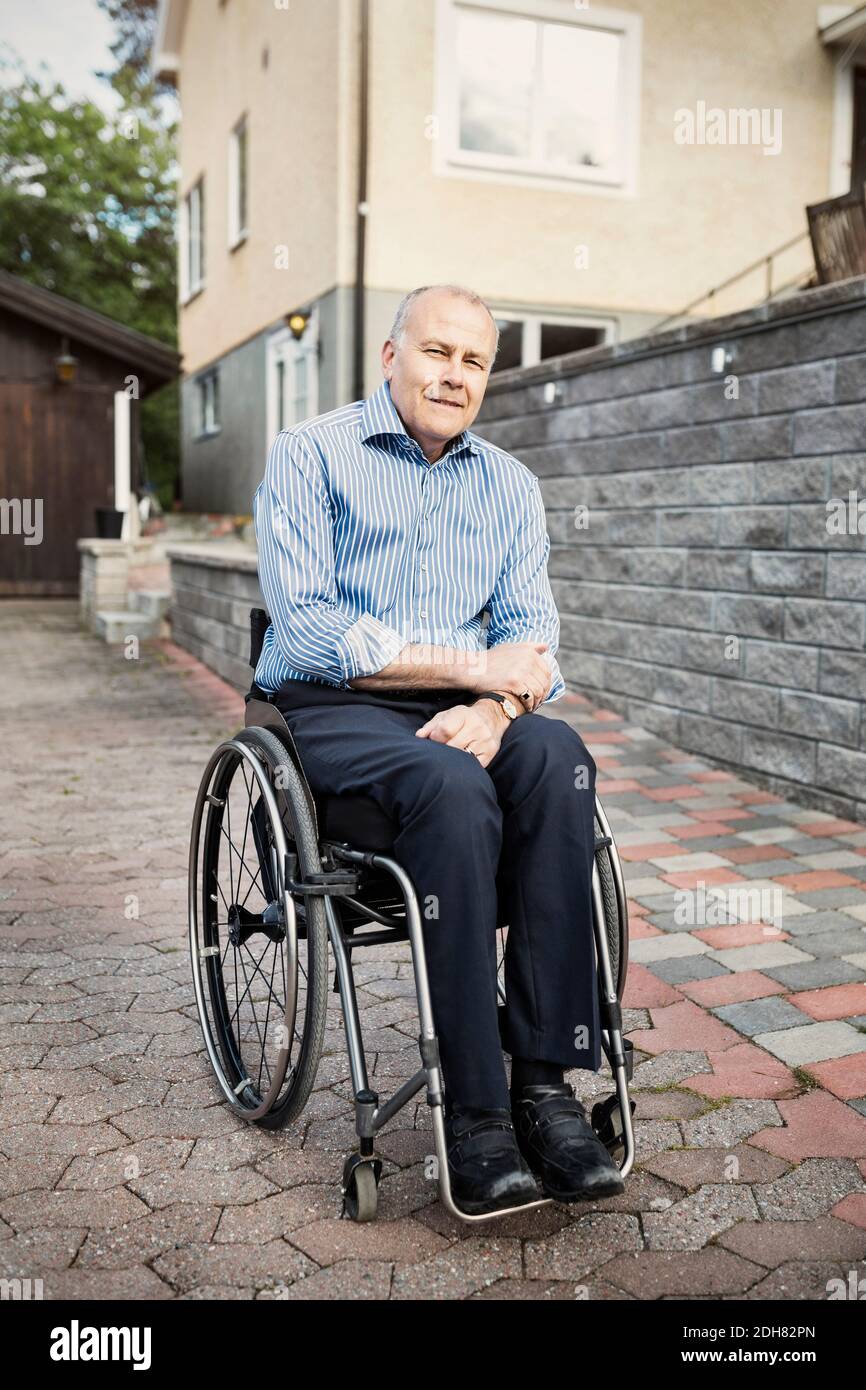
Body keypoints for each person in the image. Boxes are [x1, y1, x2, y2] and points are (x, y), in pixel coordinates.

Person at [252, 283, 624, 1214]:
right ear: (391, 357)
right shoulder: (311, 457)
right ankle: (475, 1111)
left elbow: (536, 644)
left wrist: (499, 705)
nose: (454, 376)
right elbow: (307, 634)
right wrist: (470, 666)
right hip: (337, 704)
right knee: (454, 785)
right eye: (436, 353)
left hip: (470, 709)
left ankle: (543, 1086)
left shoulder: (509, 486)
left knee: (558, 755)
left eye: (474, 362)